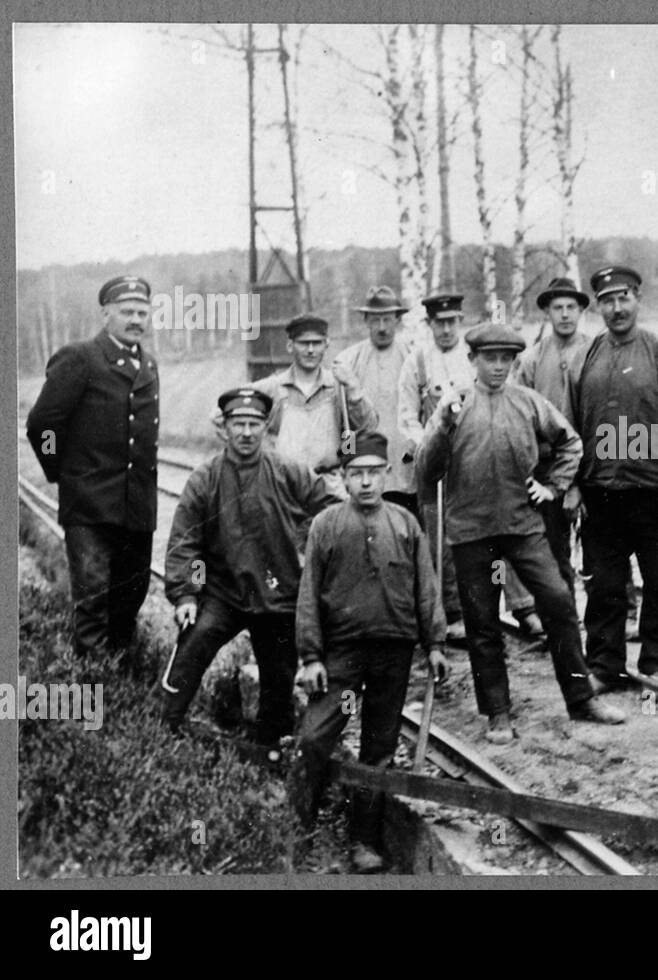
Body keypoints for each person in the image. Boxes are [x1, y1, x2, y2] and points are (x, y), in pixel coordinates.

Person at [419, 322, 625, 743]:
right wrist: (441, 425)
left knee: (558, 599)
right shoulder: (455, 406)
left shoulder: (529, 402)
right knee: (482, 622)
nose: (497, 367)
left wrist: (553, 486)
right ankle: (497, 712)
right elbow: (427, 470)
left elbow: (571, 443)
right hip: (471, 532)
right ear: (473, 360)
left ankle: (581, 698)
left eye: (505, 360)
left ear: (514, 363)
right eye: (489, 358)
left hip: (522, 526)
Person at [294, 431, 449, 872]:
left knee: (378, 749)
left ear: (385, 474)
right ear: (342, 478)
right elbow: (308, 596)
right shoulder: (326, 526)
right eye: (355, 474)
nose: (365, 482)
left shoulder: (405, 524)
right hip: (342, 656)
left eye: (372, 473)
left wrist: (434, 644)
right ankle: (298, 829)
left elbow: (426, 590)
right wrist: (311, 657)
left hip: (392, 654)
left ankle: (364, 841)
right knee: (313, 737)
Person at [162, 388, 335, 746]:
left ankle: (269, 749)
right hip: (223, 594)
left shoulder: (289, 471)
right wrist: (187, 595)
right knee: (193, 644)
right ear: (224, 428)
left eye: (254, 424)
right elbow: (186, 541)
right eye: (237, 423)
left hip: (279, 595)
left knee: (279, 677)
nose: (245, 432)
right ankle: (165, 728)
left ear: (265, 427)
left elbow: (331, 509)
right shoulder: (205, 479)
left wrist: (308, 548)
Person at [568, 265, 658, 691]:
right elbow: (570, 426)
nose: (616, 308)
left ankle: (657, 662)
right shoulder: (586, 356)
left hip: (653, 491)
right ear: (599, 306)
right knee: (603, 586)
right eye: (607, 300)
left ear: (638, 299)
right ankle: (606, 667)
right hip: (600, 491)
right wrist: (570, 483)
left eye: (623, 298)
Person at [26, 275, 160, 663]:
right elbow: (43, 425)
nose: (135, 319)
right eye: (126, 312)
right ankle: (94, 683)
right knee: (93, 597)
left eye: (142, 312)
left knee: (131, 594)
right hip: (89, 504)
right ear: (107, 314)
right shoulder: (81, 357)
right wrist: (61, 473)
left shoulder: (148, 364)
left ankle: (121, 677)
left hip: (137, 506)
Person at [399, 294, 540, 635]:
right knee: (444, 540)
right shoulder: (417, 361)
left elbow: (504, 401)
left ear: (460, 322)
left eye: (452, 322)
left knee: (499, 532)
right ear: (429, 324)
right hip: (439, 472)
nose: (446, 329)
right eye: (439, 323)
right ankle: (454, 613)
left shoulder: (475, 357)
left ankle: (522, 607)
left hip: (481, 464)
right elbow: (406, 418)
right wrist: (431, 447)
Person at [226, 313, 377, 501]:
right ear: (290, 346)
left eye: (317, 343)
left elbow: (366, 427)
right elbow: (220, 416)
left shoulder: (339, 386)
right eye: (304, 343)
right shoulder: (273, 388)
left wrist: (354, 388)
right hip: (282, 489)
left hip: (329, 488)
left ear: (326, 345)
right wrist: (256, 452)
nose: (311, 350)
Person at [511, 276, 593, 590]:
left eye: (571, 307)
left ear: (580, 311)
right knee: (555, 547)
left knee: (599, 545)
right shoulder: (531, 359)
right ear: (547, 312)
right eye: (557, 307)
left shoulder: (595, 352)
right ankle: (564, 619)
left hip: (591, 463)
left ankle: (618, 613)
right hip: (549, 467)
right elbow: (521, 417)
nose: (565, 314)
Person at [333, 285, 416, 512]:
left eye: (387, 320)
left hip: (405, 469)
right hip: (365, 471)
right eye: (375, 320)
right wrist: (347, 458)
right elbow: (345, 424)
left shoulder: (413, 357)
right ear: (366, 320)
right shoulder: (348, 361)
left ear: (397, 320)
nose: (382, 328)